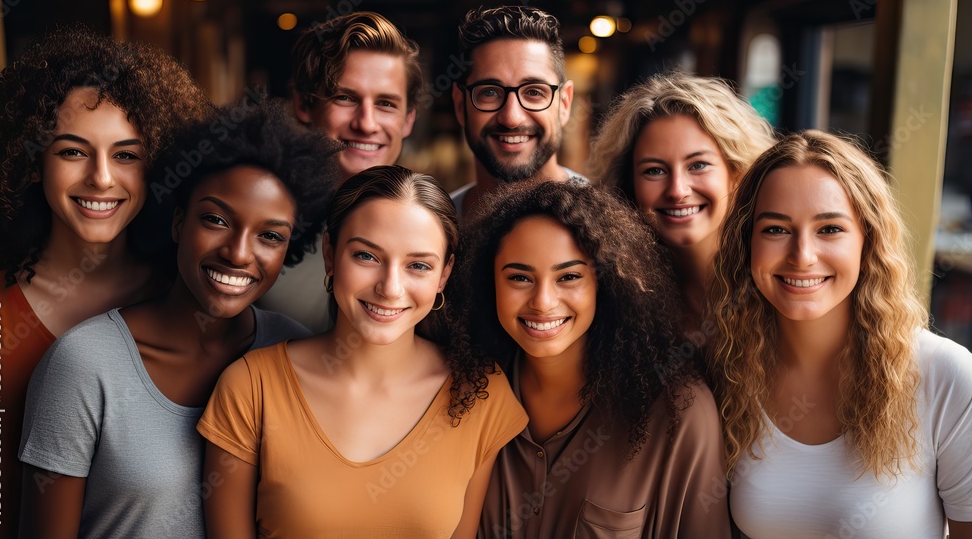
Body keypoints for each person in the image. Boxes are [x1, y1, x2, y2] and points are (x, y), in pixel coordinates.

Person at [17, 102, 340, 539]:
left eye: (270, 236)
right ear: (177, 222)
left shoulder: (296, 355)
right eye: (216, 220)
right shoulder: (84, 364)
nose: (239, 253)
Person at [0, 27, 213, 539]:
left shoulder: (188, 293)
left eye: (127, 155)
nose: (102, 178)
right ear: (30, 161)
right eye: (72, 152)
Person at [198, 165, 528, 538]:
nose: (390, 287)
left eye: (418, 265)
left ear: (444, 275)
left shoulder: (478, 393)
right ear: (330, 254)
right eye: (367, 257)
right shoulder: (250, 388)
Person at [707, 131, 972, 538]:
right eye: (776, 230)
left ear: (869, 241)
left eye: (829, 229)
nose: (803, 256)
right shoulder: (726, 371)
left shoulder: (948, 376)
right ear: (747, 245)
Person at [450, 180, 730, 538]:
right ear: (490, 284)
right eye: (520, 277)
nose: (543, 302)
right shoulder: (464, 397)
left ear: (605, 282)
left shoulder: (679, 414)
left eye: (568, 277)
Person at [258, 10, 425, 333]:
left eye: (386, 104)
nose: (366, 123)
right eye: (345, 98)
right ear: (304, 105)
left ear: (408, 119)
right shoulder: (261, 221)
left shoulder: (432, 232)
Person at [590, 71, 773, 332]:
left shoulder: (776, 282)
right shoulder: (618, 299)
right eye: (654, 170)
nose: (677, 190)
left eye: (698, 165)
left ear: (737, 172)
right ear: (629, 186)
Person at [450, 6, 585, 219]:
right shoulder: (433, 229)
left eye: (534, 92)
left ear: (565, 103)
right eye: (490, 92)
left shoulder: (611, 226)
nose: (511, 118)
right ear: (460, 105)